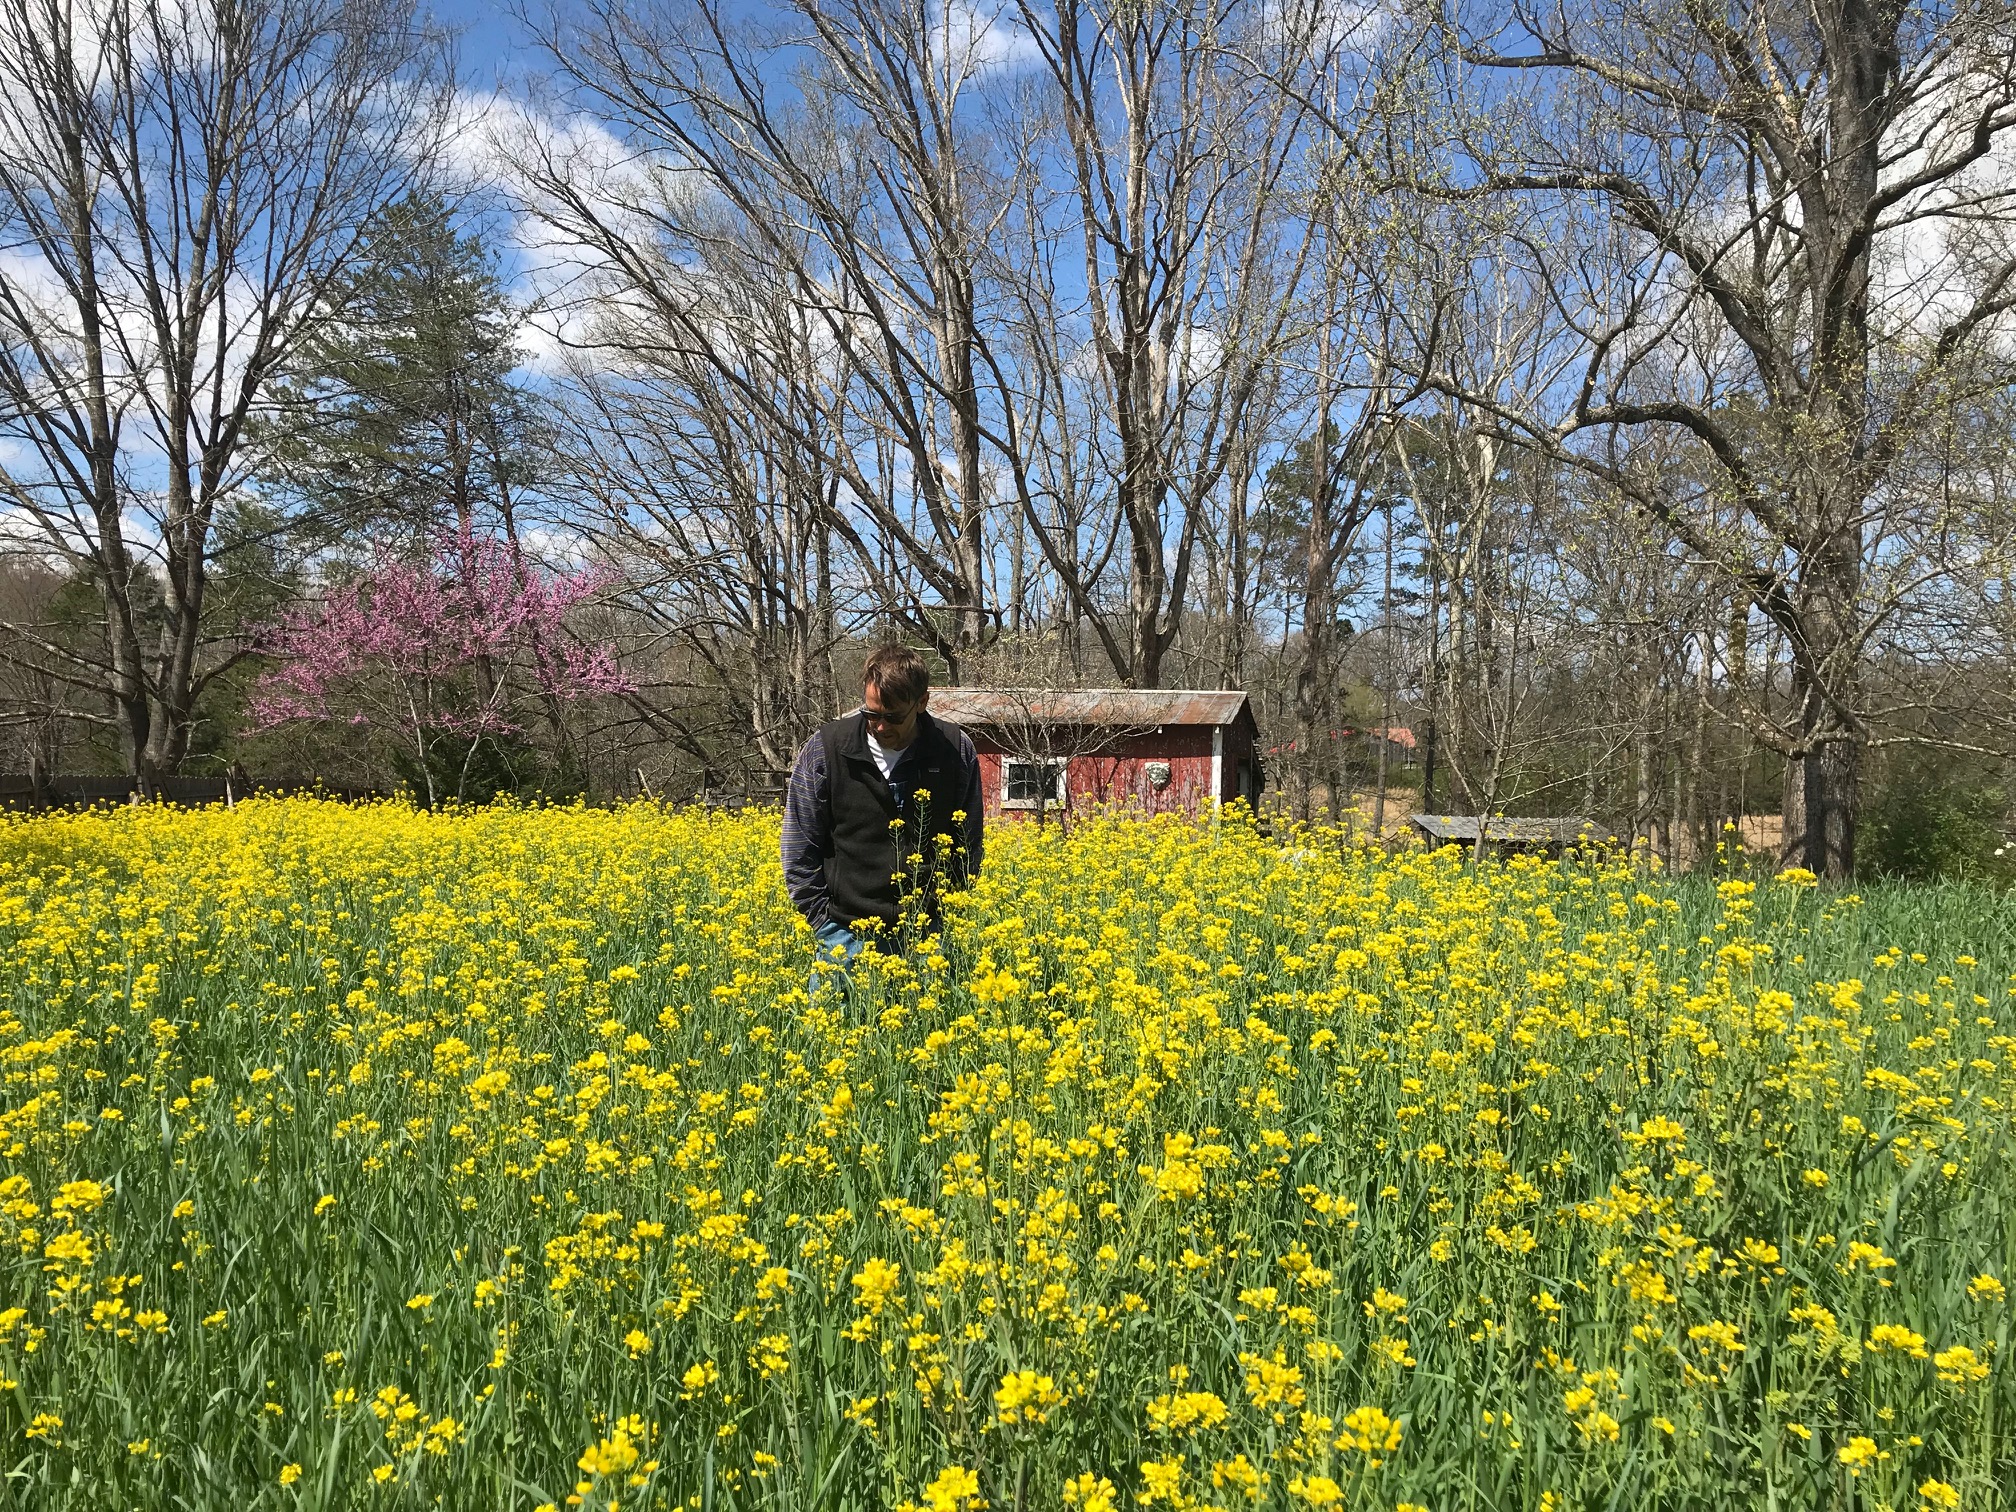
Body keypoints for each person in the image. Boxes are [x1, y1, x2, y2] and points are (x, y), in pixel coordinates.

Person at [781, 645, 985, 998]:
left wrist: (947, 913)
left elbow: (968, 844)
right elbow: (798, 845)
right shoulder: (826, 748)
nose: (879, 725)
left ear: (922, 702)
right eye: (871, 713)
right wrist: (823, 921)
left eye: (892, 716)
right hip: (845, 933)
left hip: (927, 937)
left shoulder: (954, 749)